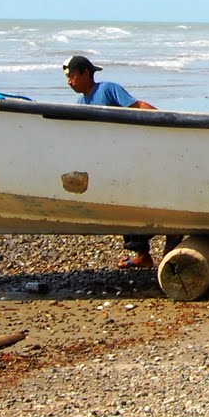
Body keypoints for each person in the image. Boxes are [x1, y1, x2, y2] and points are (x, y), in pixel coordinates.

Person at [62, 54, 160, 269]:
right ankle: (142, 255)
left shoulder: (107, 89)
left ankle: (156, 247)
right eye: (67, 78)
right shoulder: (81, 102)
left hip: (128, 155)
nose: (69, 82)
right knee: (122, 205)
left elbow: (136, 106)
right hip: (107, 161)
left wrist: (165, 123)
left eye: (72, 76)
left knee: (135, 201)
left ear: (86, 74)